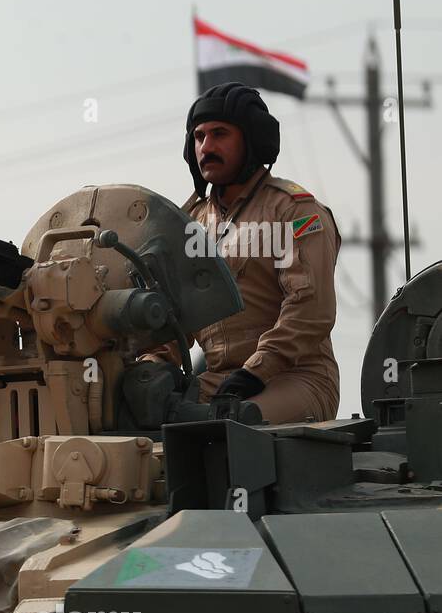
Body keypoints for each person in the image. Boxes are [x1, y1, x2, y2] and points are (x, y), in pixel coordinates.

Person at [141, 82, 341, 422]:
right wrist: (148, 370)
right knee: (133, 418)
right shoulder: (188, 224)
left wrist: (254, 373)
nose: (207, 147)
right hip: (218, 383)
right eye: (199, 137)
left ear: (251, 140)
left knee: (228, 425)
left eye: (220, 134)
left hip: (296, 377)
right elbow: (170, 322)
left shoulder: (294, 211)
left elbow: (312, 310)